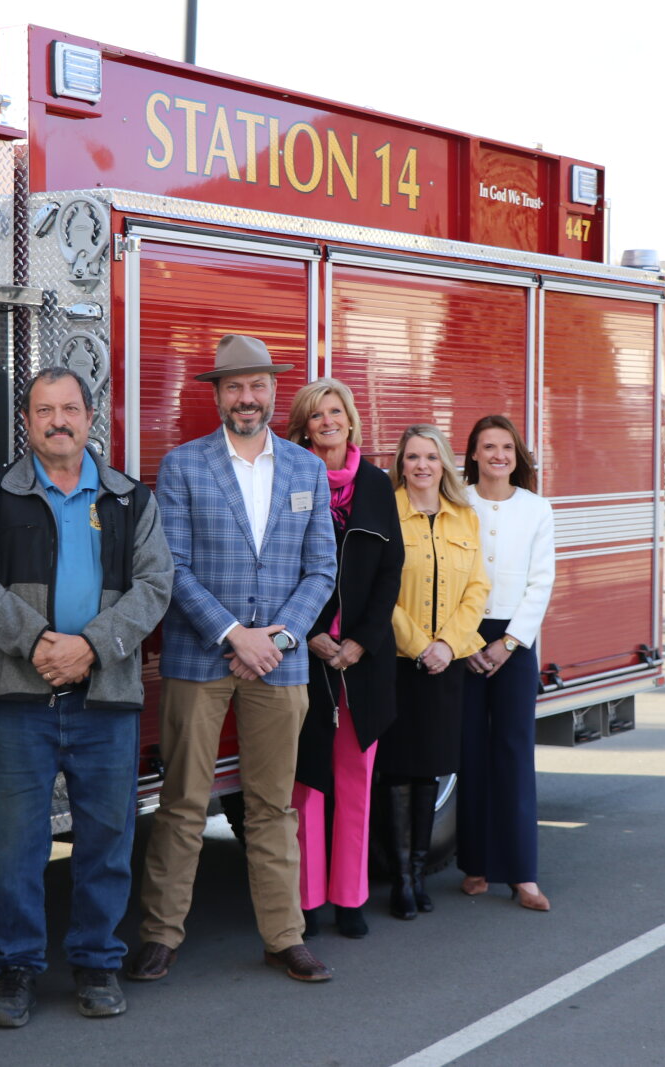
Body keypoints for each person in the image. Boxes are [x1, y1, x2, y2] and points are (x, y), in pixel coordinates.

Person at [0, 367, 173, 1027]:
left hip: (104, 694)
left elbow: (156, 584)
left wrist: (92, 646)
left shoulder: (131, 498)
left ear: (90, 416)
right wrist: (42, 640)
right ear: (26, 422)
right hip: (23, 696)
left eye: (69, 408)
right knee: (11, 846)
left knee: (106, 840)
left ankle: (98, 963)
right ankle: (13, 970)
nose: (58, 421)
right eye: (44, 410)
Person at [129, 334, 338, 983]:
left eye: (256, 385)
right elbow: (173, 567)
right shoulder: (185, 465)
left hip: (281, 663)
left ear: (273, 391)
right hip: (201, 656)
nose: (246, 397)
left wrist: (275, 640)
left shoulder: (306, 469)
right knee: (183, 801)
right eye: (233, 386)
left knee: (273, 804)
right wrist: (232, 633)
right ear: (216, 394)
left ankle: (284, 935)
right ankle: (161, 934)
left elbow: (322, 568)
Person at [283, 379, 403, 940]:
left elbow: (390, 572)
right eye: (316, 414)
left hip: (361, 661)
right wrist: (305, 634)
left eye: (335, 411)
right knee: (305, 782)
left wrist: (362, 640)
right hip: (303, 657)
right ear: (303, 426)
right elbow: (277, 566)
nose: (327, 421)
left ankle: (350, 899)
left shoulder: (378, 484)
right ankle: (306, 903)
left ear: (350, 420)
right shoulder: (289, 476)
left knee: (356, 780)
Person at [378, 425, 489, 920]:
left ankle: (419, 872)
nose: (422, 466)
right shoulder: (385, 513)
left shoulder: (466, 518)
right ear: (401, 464)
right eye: (412, 457)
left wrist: (446, 645)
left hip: (448, 663)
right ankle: (401, 881)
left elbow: (478, 589)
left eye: (431, 457)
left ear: (444, 463)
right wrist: (422, 646)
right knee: (398, 772)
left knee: (432, 772)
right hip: (401, 663)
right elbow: (380, 593)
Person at [458, 414, 556, 911]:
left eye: (506, 447)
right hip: (464, 638)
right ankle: (475, 865)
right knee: (470, 752)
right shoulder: (458, 502)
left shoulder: (537, 509)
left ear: (516, 456)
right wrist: (468, 640)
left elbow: (541, 582)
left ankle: (523, 874)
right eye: (488, 447)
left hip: (515, 642)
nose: (498, 455)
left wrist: (509, 642)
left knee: (515, 754)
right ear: (472, 454)